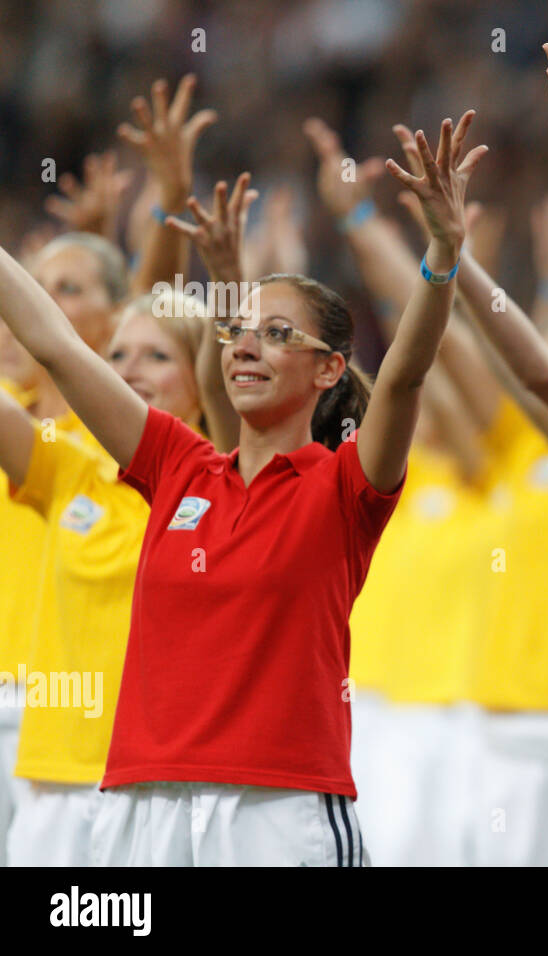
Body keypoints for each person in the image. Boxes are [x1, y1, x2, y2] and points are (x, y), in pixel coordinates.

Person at [0, 111, 484, 866]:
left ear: (330, 370)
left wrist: (444, 255)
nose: (250, 348)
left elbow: (408, 374)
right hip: (142, 803)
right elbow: (58, 347)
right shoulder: (177, 465)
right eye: (240, 333)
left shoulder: (346, 487)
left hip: (278, 805)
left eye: (280, 335)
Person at [0, 288, 210, 865]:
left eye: (158, 356)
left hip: (169, 790)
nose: (130, 371)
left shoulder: (226, 484)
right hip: (58, 785)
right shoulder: (70, 468)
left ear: (205, 376)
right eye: (116, 356)